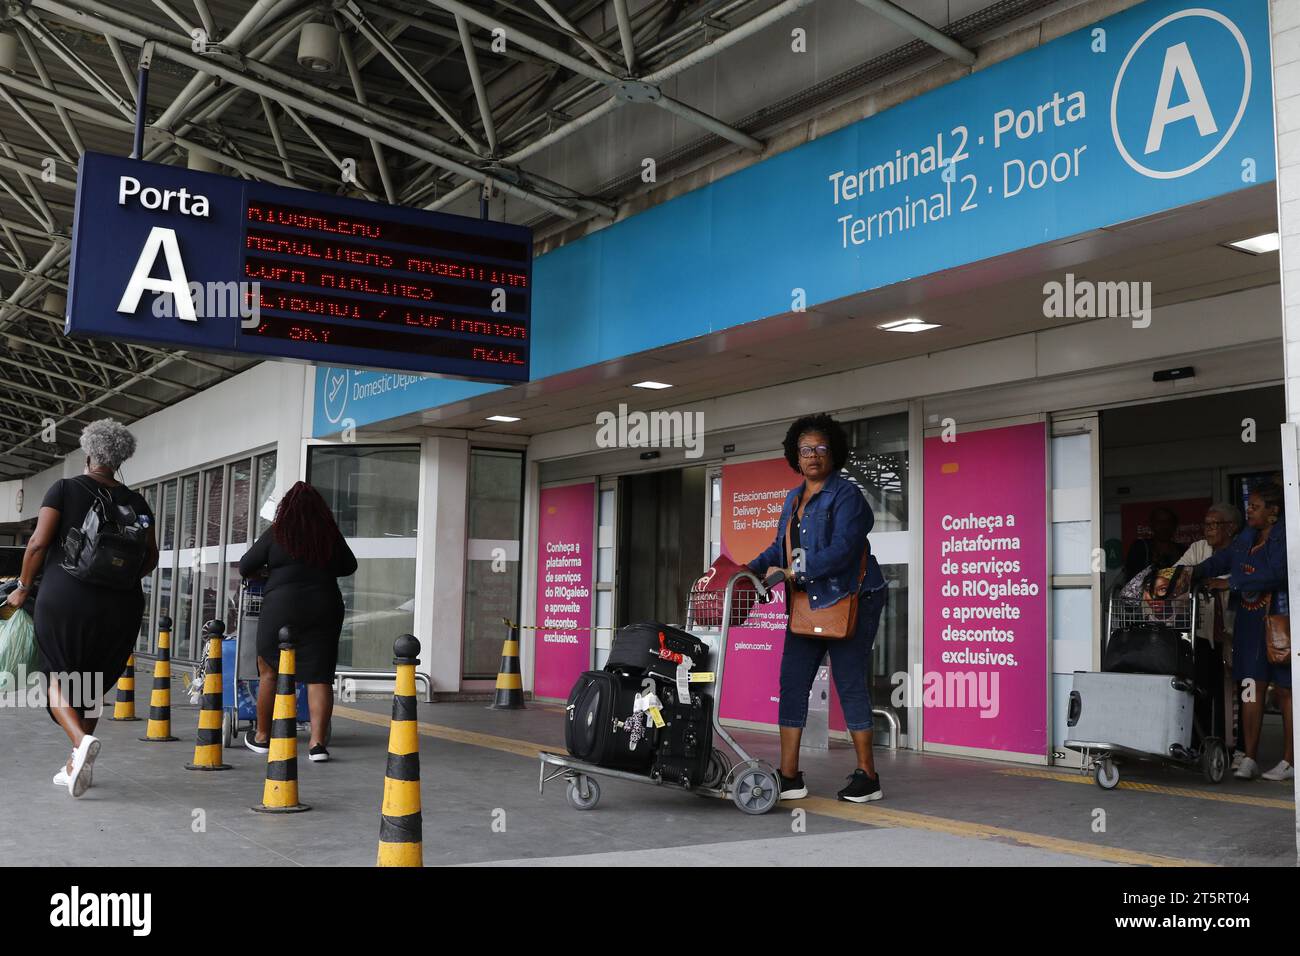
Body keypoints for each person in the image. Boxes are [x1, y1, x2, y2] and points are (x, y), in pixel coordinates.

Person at [3, 419, 158, 797]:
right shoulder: (137, 502)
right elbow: (151, 558)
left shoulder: (66, 489)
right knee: (91, 685)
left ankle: (80, 744)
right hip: (122, 606)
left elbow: (38, 545)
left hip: (67, 599)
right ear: (121, 459)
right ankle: (77, 765)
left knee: (56, 675)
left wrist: (22, 589)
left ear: (89, 454)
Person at [747, 413, 888, 803]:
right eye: (805, 450)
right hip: (807, 603)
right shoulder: (794, 498)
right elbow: (781, 546)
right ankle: (789, 776)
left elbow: (844, 550)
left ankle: (868, 776)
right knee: (792, 684)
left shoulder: (848, 497)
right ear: (796, 455)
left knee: (849, 682)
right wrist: (750, 569)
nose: (812, 456)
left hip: (852, 599)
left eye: (820, 449)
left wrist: (793, 571)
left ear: (834, 453)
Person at [238, 481, 356, 762]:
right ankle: (317, 745)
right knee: (319, 677)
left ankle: (263, 736)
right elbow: (348, 565)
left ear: (285, 508)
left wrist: (269, 572)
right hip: (323, 607)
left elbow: (245, 566)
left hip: (281, 607)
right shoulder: (328, 535)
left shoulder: (277, 533)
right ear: (321, 511)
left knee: (269, 670)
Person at [1188, 484, 1293, 781]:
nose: (1249, 511)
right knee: (1250, 688)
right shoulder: (1247, 535)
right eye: (1249, 506)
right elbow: (1224, 559)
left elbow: (1278, 573)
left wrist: (1232, 583)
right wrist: (1195, 572)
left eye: (1255, 506)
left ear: (1273, 513)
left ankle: (1289, 760)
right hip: (1247, 622)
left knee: (1285, 690)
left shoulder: (1286, 535)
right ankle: (1249, 757)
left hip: (1278, 621)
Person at [1175, 503, 1241, 755]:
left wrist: (1221, 583)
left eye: (1214, 524)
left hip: (1234, 634)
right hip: (1203, 634)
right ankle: (1199, 746)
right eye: (1207, 524)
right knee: (1201, 690)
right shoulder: (1198, 548)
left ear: (1231, 528)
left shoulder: (1243, 551)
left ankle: (1235, 748)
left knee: (1234, 696)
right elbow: (1180, 576)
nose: (1209, 529)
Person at [1123, 506, 1186, 583]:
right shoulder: (1140, 548)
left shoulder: (1182, 551)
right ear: (1152, 525)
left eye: (1168, 521)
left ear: (1174, 525)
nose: (1164, 526)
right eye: (1159, 522)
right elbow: (1132, 579)